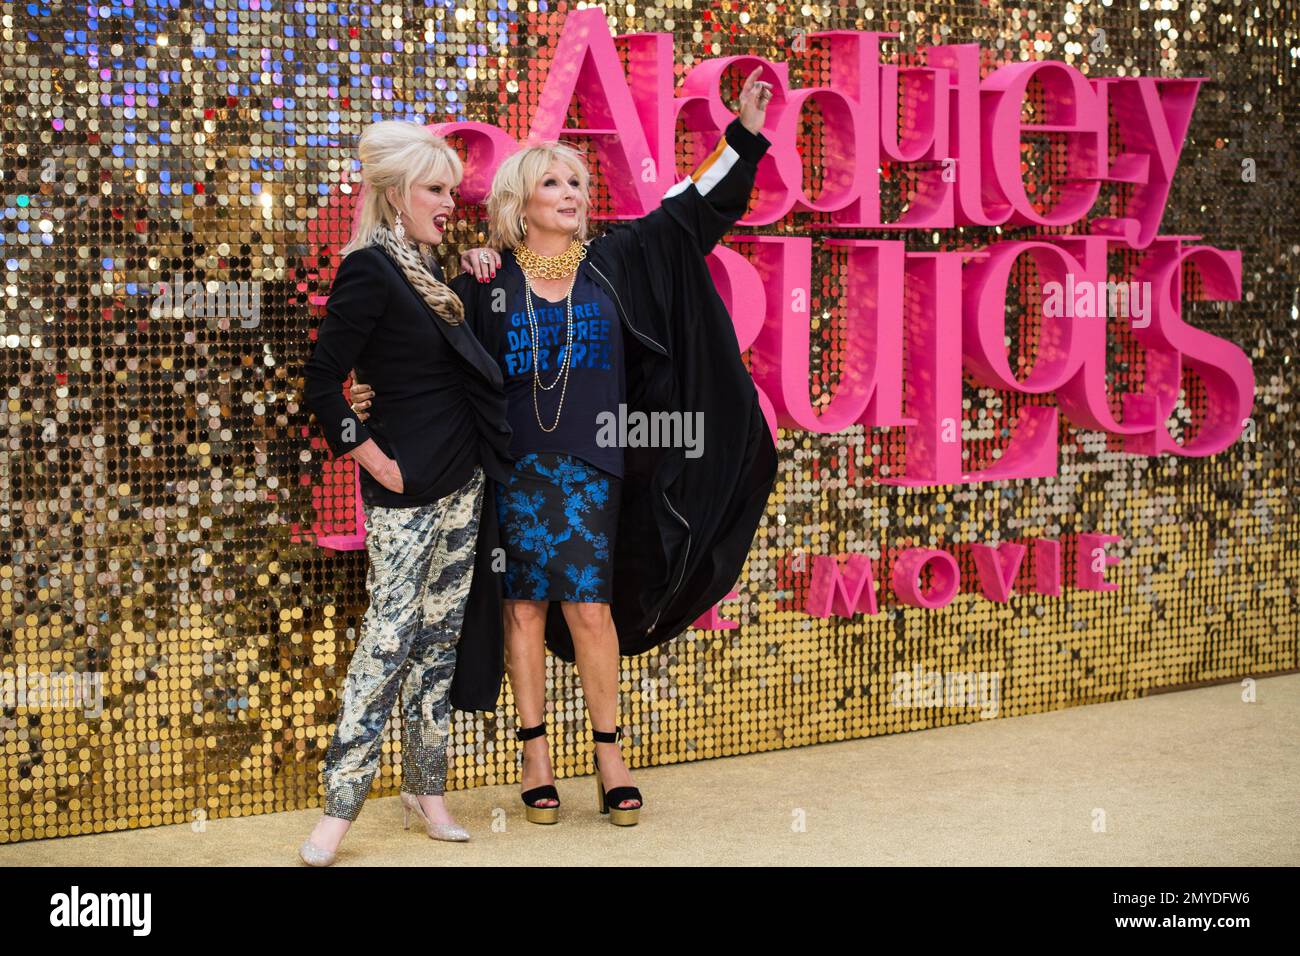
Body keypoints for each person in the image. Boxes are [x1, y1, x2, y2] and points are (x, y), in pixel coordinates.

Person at [351, 67, 777, 827]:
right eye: (555, 182)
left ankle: (610, 754)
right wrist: (363, 403)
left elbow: (689, 213)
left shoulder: (616, 265)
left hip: (595, 469)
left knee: (590, 610)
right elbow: (421, 364)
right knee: (521, 609)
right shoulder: (483, 284)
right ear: (521, 201)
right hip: (512, 474)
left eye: (579, 181)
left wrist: (741, 134)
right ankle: (535, 754)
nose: (574, 192)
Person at [296, 119, 514, 865]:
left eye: (453, 190)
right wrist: (374, 460)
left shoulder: (425, 271)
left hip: (464, 482)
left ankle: (428, 791)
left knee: (437, 645)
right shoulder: (369, 268)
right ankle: (338, 806)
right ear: (394, 196)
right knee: (386, 642)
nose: (450, 202)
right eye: (435, 189)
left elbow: (438, 351)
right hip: (407, 487)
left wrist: (474, 272)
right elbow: (323, 382)